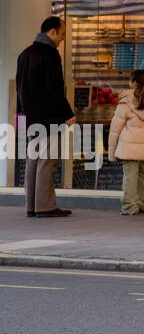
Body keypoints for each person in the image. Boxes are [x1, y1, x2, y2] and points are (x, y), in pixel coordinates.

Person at [16, 16, 75, 218]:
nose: (63, 38)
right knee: (47, 161)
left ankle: (31, 206)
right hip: (49, 117)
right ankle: (45, 206)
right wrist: (67, 113)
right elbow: (55, 89)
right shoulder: (50, 55)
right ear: (52, 32)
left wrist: (26, 112)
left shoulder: (25, 54)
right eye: (63, 33)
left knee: (33, 160)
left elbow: (19, 88)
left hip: (31, 117)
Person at [108, 70, 144, 215]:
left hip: (130, 147)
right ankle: (143, 203)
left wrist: (111, 152)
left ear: (133, 83)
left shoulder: (126, 103)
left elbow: (115, 130)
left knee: (130, 176)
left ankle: (129, 206)